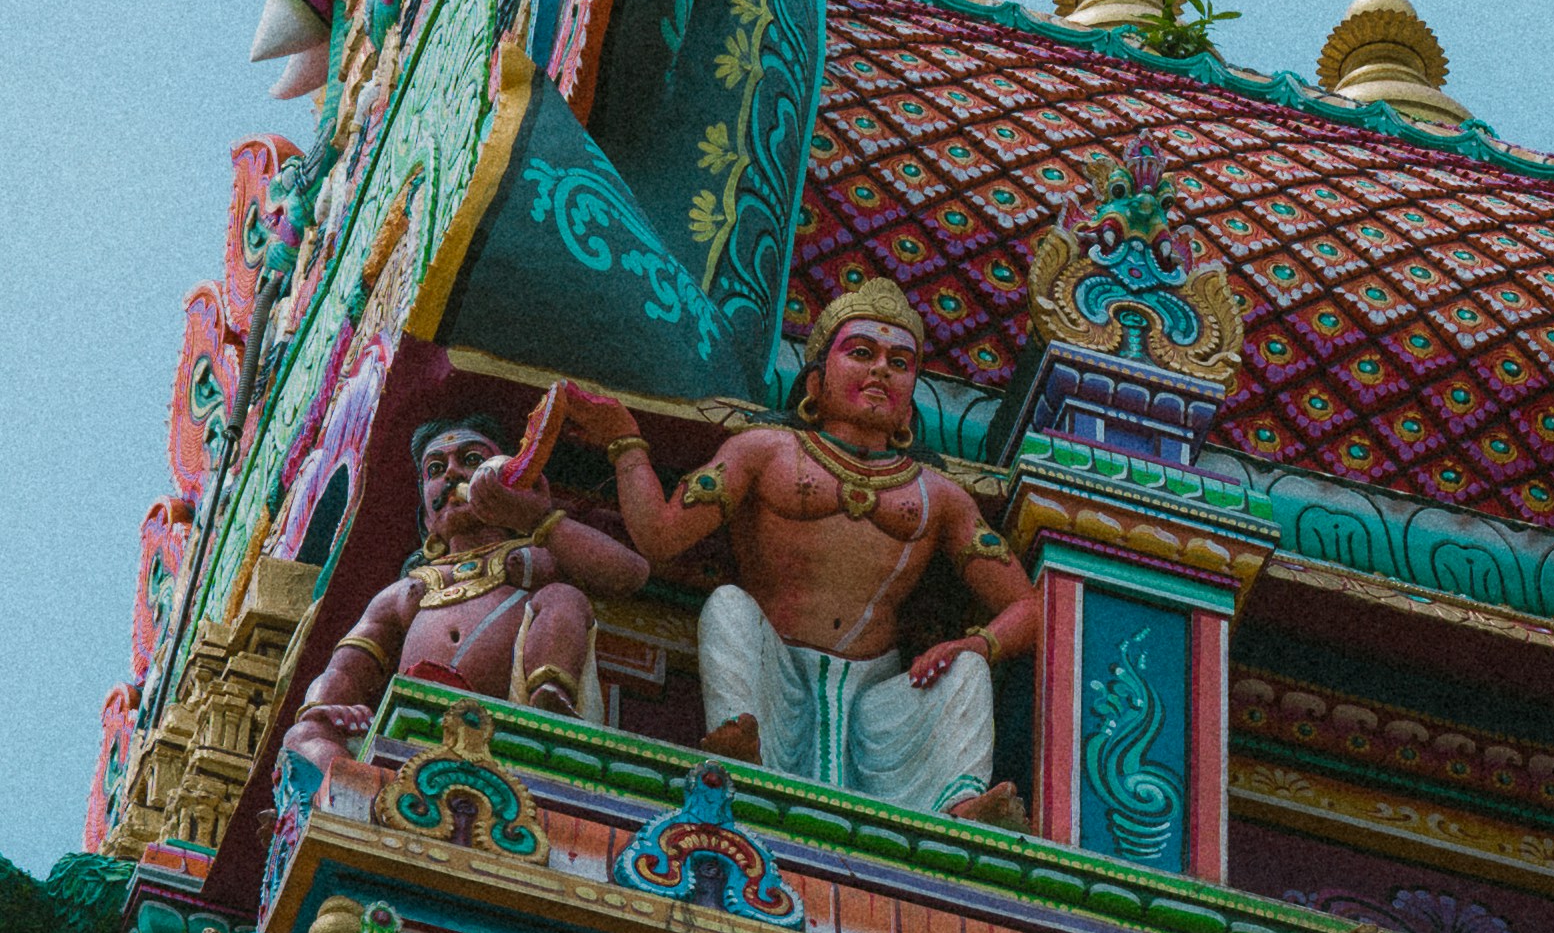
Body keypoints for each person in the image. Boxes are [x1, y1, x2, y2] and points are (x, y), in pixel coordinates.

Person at [572, 284, 1036, 821]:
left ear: (911, 398)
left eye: (900, 362)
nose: (881, 369)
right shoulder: (765, 451)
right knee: (728, 604)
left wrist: (976, 643)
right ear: (816, 380)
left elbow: (1027, 607)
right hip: (775, 670)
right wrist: (626, 443)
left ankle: (960, 803)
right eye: (861, 352)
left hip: (878, 699)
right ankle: (737, 743)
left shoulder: (941, 497)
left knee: (968, 671)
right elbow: (659, 536)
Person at [285, 398, 641, 754]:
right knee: (302, 738)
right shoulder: (409, 590)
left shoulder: (543, 554)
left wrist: (538, 518)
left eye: (471, 461)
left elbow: (630, 573)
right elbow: (346, 669)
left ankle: (549, 699)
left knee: (563, 596)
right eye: (436, 468)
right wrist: (326, 707)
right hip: (416, 730)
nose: (452, 474)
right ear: (427, 519)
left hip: (516, 725)